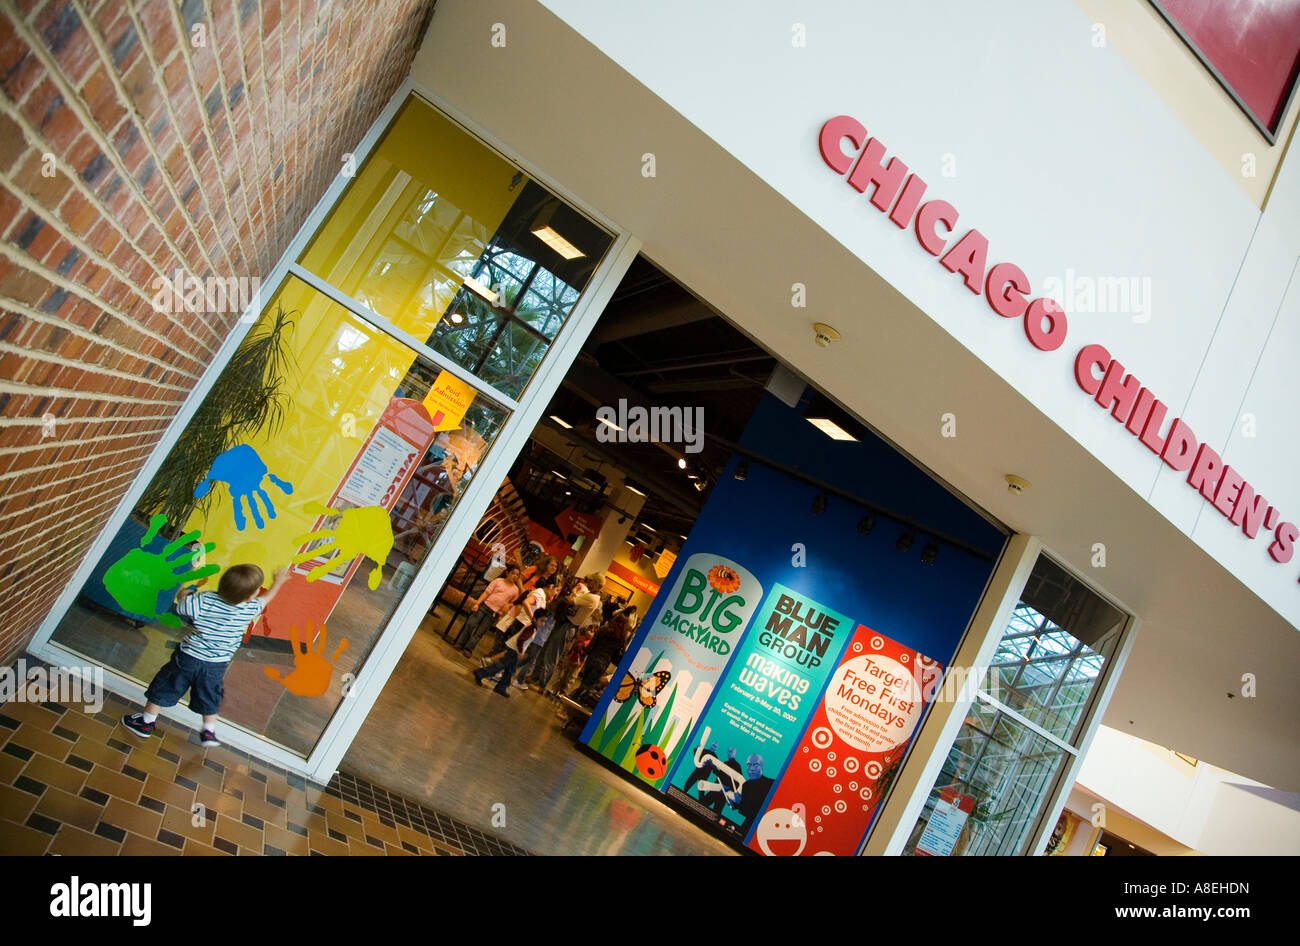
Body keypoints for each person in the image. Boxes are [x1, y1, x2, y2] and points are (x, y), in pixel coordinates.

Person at [122, 564, 289, 747]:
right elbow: (267, 598)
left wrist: (183, 593)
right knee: (210, 694)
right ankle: (209, 731)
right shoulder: (249, 609)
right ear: (251, 595)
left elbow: (183, 607)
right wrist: (278, 582)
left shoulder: (205, 599)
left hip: (188, 658)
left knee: (166, 685)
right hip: (216, 664)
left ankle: (146, 723)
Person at [474, 576, 554, 697]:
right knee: (502, 664)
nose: (543, 624)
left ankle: (502, 686)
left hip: (515, 648)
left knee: (510, 669)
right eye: (542, 621)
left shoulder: (533, 626)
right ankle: (481, 673)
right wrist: (521, 651)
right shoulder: (531, 627)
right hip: (515, 649)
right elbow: (521, 640)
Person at [529, 574, 603, 691]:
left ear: (598, 585)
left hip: (568, 626)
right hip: (565, 624)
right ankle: (535, 677)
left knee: (552, 655)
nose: (589, 583)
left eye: (592, 581)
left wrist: (573, 592)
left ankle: (541, 684)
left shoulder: (592, 598)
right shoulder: (590, 596)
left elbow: (570, 600)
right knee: (546, 650)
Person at [454, 565, 521, 656]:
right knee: (471, 624)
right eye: (513, 573)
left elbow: (512, 604)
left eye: (517, 575)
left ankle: (468, 649)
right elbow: (486, 593)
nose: (515, 576)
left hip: (494, 613)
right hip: (484, 607)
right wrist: (477, 603)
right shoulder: (498, 581)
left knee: (480, 632)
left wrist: (502, 614)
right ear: (507, 573)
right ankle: (460, 644)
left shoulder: (515, 590)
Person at [572, 610, 631, 699]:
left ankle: (572, 700)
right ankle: (572, 699)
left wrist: (584, 655)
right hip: (603, 663)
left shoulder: (603, 629)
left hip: (591, 659)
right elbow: (620, 654)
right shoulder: (622, 638)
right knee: (587, 686)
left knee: (583, 683)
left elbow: (592, 644)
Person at [726, 754, 776, 837]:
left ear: (762, 766)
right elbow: (746, 811)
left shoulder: (771, 784)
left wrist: (741, 802)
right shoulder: (746, 785)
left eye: (755, 765)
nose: (751, 769)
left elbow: (762, 810)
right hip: (748, 826)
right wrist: (734, 804)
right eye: (749, 765)